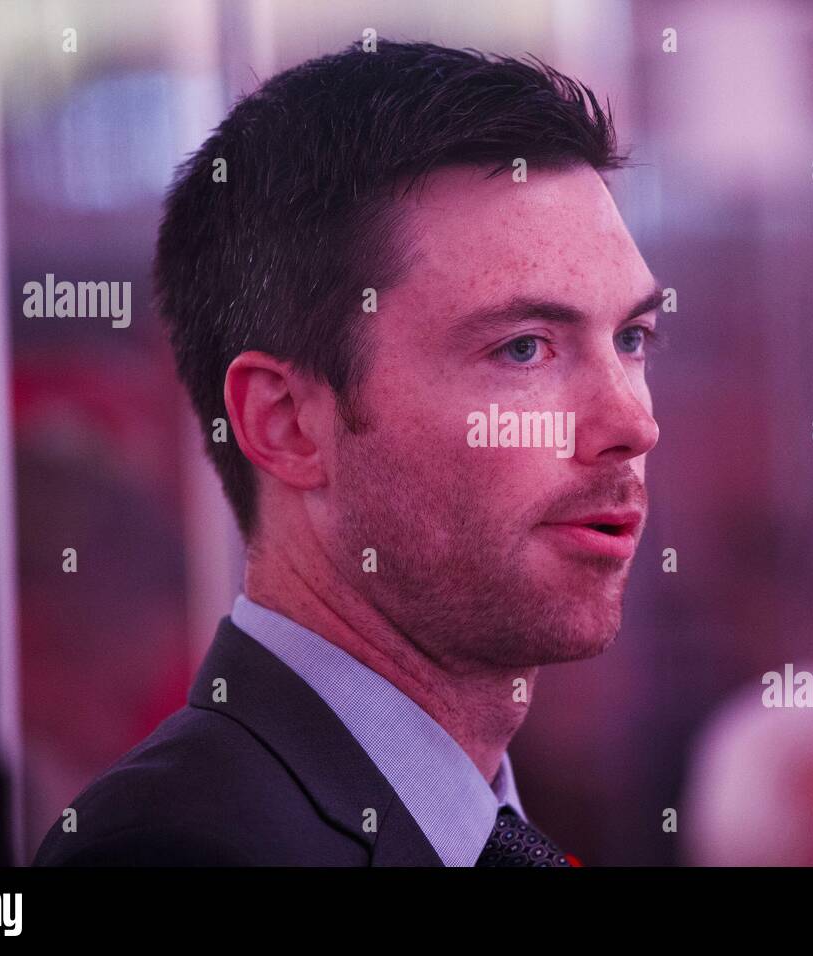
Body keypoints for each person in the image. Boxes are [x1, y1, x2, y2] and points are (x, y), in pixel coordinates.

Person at [33, 39, 661, 867]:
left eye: (632, 337)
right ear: (287, 423)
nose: (631, 422)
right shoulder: (180, 849)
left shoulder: (487, 831)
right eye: (523, 349)